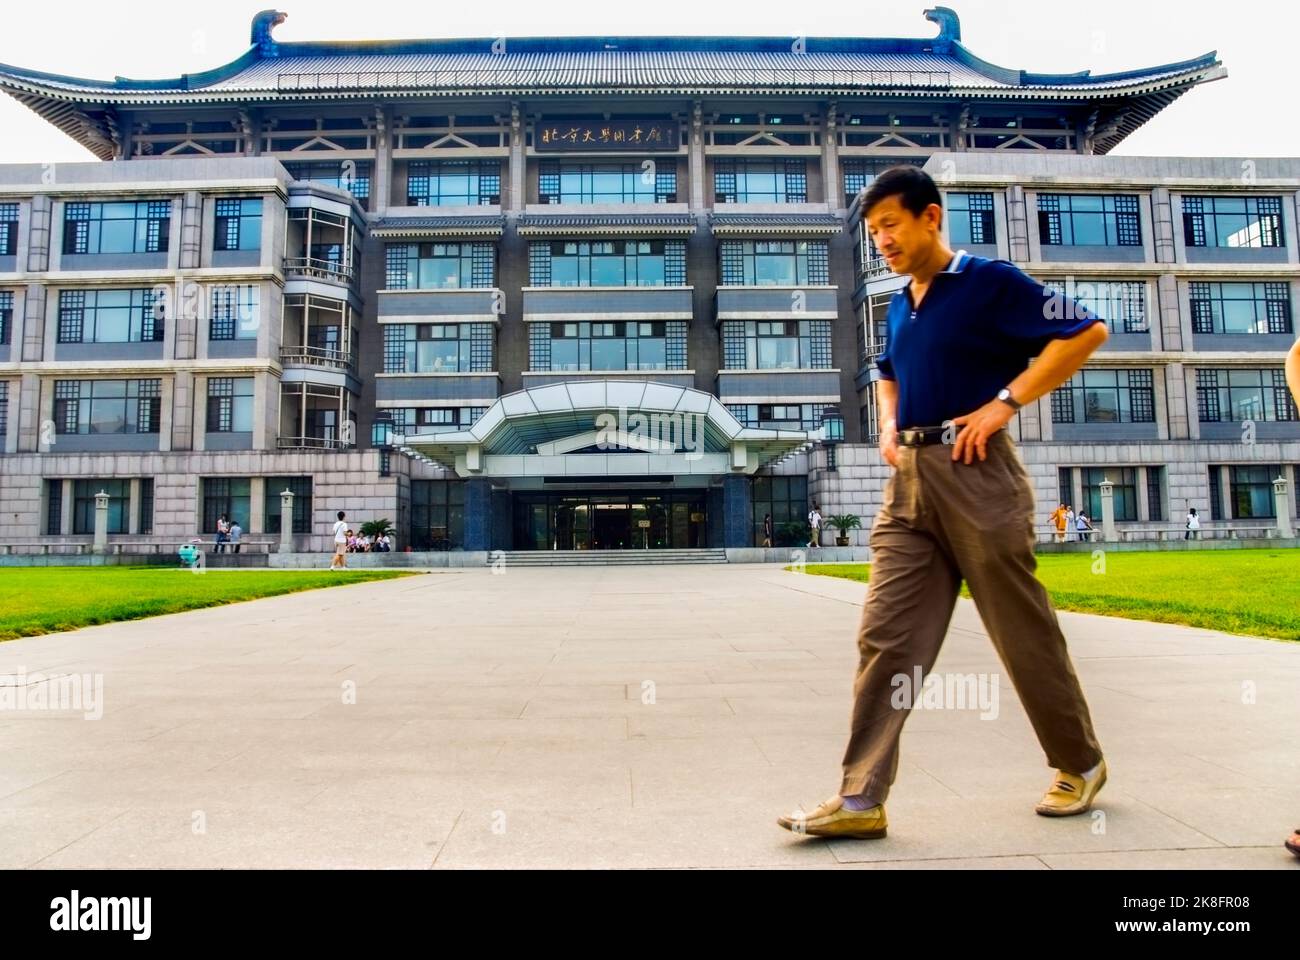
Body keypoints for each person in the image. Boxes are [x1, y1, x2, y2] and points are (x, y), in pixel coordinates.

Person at [778, 166, 1107, 840]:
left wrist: (1005, 403)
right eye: (874, 234)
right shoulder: (902, 303)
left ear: (931, 216)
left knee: (1020, 630)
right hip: (909, 486)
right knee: (885, 637)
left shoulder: (990, 282)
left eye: (891, 226)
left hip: (976, 472)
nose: (883, 242)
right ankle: (860, 798)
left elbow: (1085, 332)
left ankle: (1080, 762)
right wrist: (888, 423)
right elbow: (889, 371)